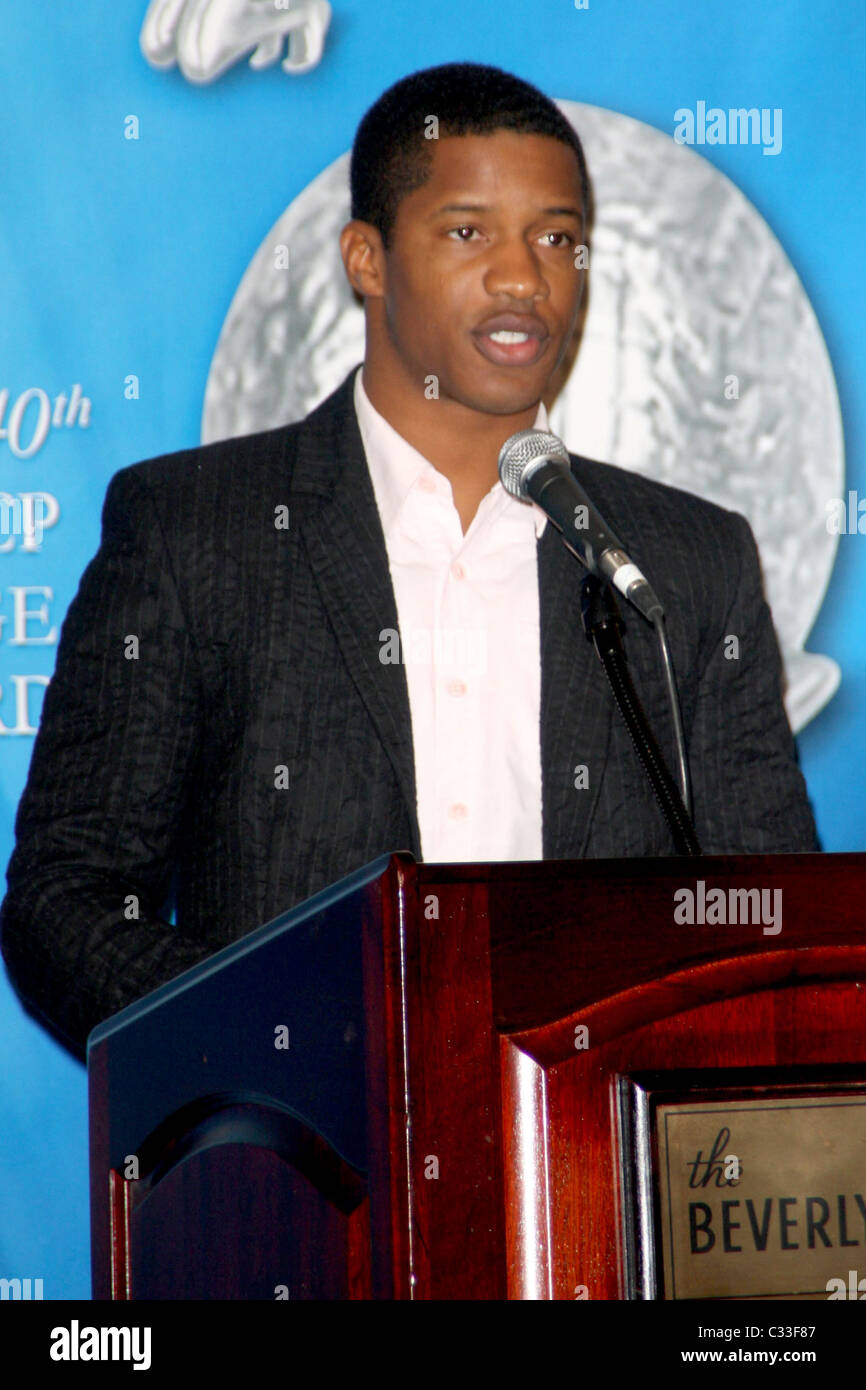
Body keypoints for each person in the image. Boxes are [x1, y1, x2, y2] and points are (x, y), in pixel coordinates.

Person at [0, 62, 817, 1063]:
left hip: (603, 1178)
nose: (523, 276)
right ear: (366, 258)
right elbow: (65, 902)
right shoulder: (194, 532)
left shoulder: (682, 562)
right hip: (296, 1178)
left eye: (556, 237)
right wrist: (280, 1051)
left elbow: (772, 916)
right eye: (468, 231)